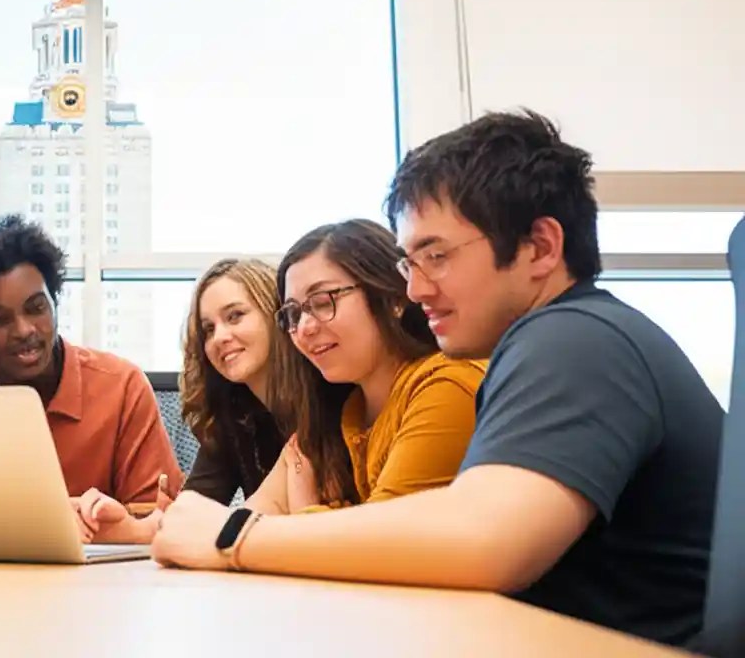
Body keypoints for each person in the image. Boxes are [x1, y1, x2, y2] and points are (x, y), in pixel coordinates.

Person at [152, 110, 723, 648]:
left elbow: (484, 539)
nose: (416, 289)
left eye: (438, 256)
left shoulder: (575, 338)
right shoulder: (550, 343)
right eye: (409, 263)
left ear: (540, 247)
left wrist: (233, 538)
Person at [91, 221, 484, 542]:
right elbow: (222, 520)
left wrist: (295, 518)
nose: (306, 327)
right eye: (295, 313)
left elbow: (379, 545)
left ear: (395, 296)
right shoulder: (345, 412)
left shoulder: (443, 385)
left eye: (324, 300)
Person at [0, 214, 183, 541]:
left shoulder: (121, 386)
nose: (24, 330)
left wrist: (106, 523)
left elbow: (162, 520)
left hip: (100, 584)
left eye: (36, 308)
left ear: (55, 303)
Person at [74, 258, 305, 543]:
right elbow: (188, 516)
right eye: (208, 329)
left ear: (277, 315)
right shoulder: (232, 415)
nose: (220, 337)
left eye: (235, 316)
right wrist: (116, 525)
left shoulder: (327, 404)